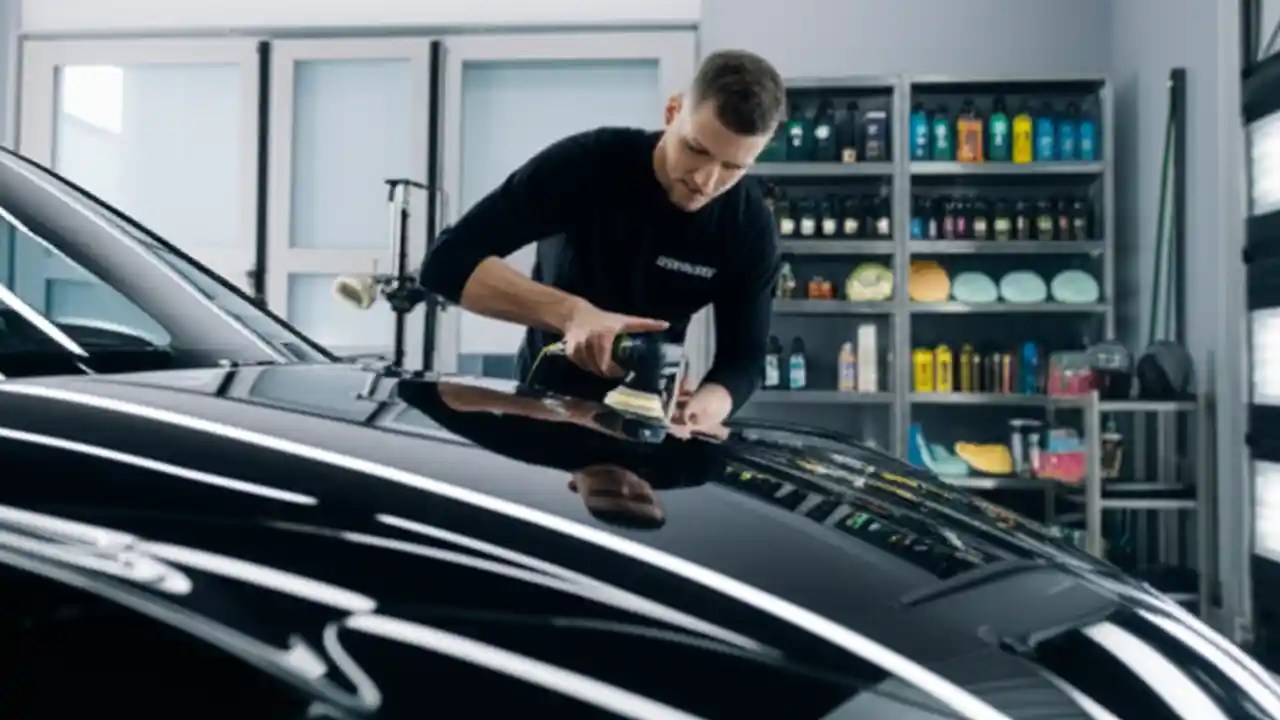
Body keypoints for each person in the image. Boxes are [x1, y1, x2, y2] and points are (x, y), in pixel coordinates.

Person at [419, 49, 785, 428]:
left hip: (643, 419)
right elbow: (446, 264)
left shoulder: (749, 226)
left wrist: (701, 410)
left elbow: (743, 358)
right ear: (673, 112)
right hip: (543, 411)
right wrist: (573, 315)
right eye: (696, 149)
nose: (705, 180)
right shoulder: (589, 164)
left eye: (732, 167)